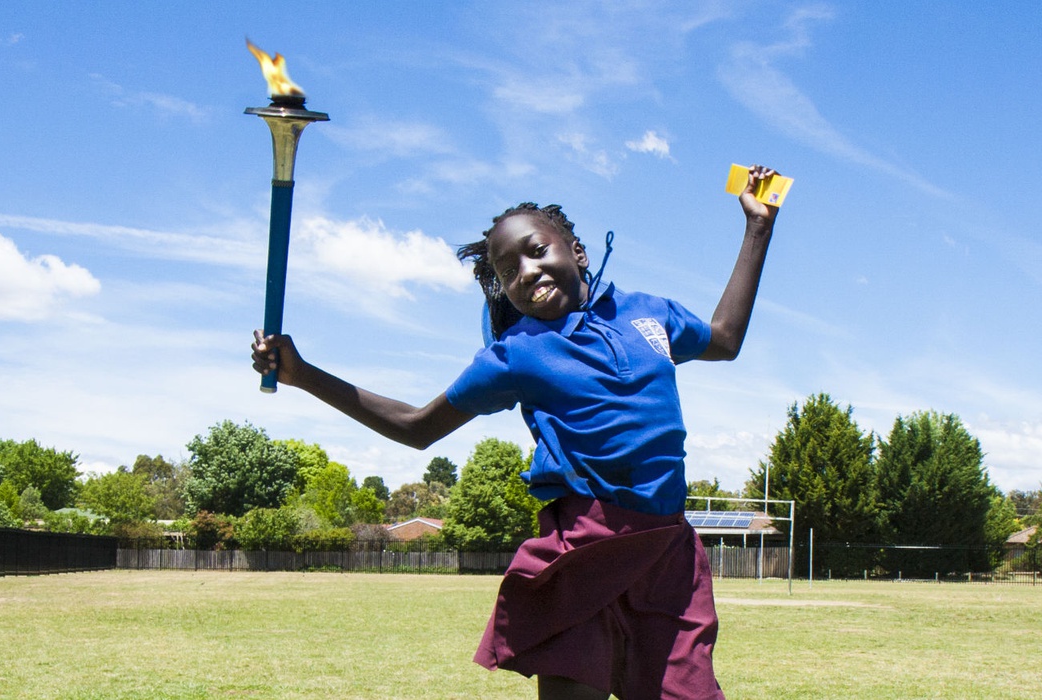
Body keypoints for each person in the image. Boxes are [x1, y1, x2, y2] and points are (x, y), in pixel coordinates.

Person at [251, 165, 781, 699]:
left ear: (576, 251)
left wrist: (757, 229)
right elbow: (416, 427)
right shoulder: (516, 354)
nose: (525, 272)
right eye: (507, 271)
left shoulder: (648, 313)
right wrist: (302, 374)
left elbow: (725, 339)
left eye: (535, 250)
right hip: (583, 548)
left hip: (667, 554)